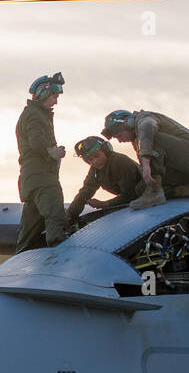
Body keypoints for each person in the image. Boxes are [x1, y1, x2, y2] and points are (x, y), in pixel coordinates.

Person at [101, 109, 189, 210]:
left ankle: (154, 193)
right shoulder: (137, 140)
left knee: (151, 139)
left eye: (119, 135)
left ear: (129, 123)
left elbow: (148, 127)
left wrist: (146, 162)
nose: (120, 141)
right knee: (140, 189)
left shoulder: (144, 119)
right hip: (182, 170)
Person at [14, 72, 69, 253]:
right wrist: (53, 152)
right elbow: (36, 141)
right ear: (43, 93)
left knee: (29, 236)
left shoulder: (33, 114)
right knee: (56, 220)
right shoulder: (35, 115)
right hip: (43, 179)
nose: (56, 101)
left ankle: (19, 266)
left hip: (31, 180)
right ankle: (60, 262)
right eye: (54, 96)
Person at [65, 136, 143, 225]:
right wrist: (70, 214)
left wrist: (105, 204)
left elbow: (131, 194)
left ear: (106, 151)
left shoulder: (120, 161)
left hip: (143, 196)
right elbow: (86, 190)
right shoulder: (95, 170)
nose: (94, 162)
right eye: (90, 160)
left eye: (97, 156)